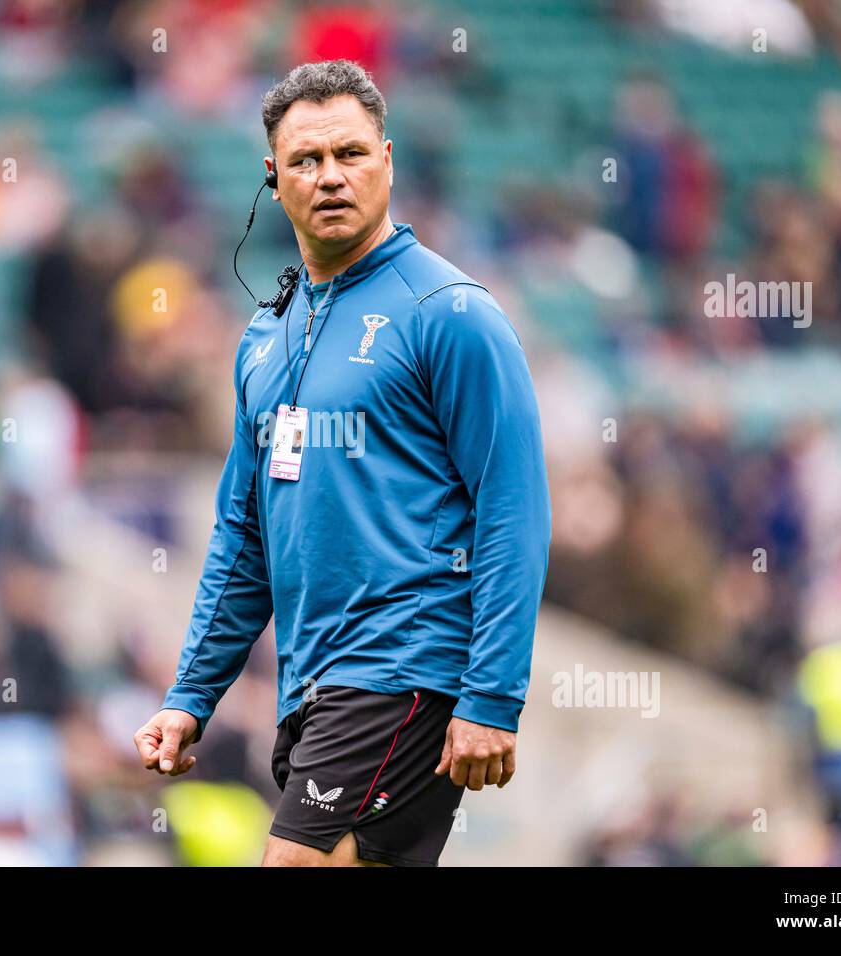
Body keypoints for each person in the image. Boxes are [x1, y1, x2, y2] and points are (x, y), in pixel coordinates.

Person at [133, 59, 551, 867]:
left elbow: (513, 508)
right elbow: (242, 538)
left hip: (404, 668)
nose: (331, 176)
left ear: (388, 161)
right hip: (311, 686)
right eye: (306, 160)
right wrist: (191, 696)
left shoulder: (452, 315)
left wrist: (493, 694)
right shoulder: (265, 338)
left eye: (351, 154)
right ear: (272, 177)